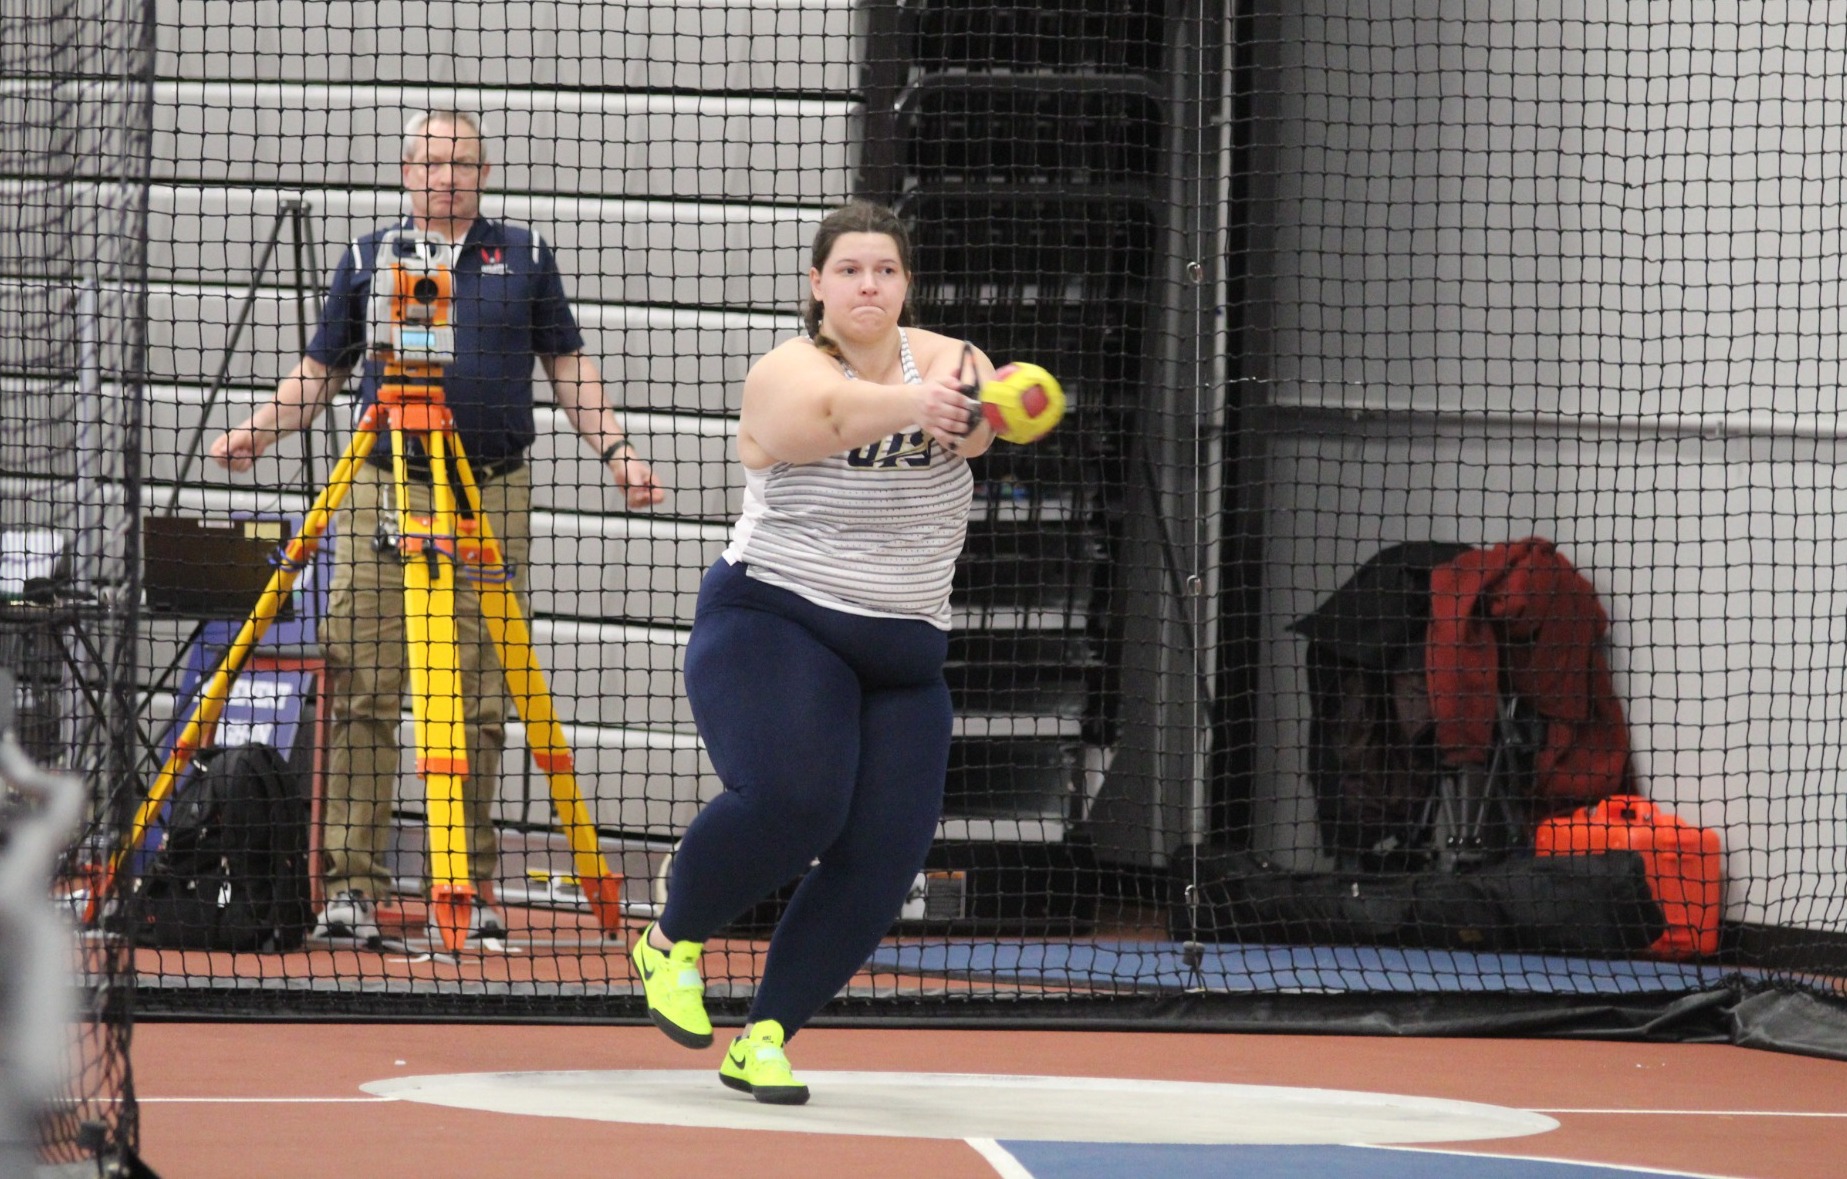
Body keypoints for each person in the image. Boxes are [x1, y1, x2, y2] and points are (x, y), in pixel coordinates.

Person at [208, 109, 664, 947]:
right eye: (429, 162)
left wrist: (620, 451)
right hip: (382, 486)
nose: (445, 176)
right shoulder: (364, 255)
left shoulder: (523, 254)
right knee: (363, 687)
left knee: (485, 697)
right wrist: (256, 432)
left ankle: (470, 885)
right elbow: (319, 372)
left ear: (483, 174)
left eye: (460, 163)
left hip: (491, 490)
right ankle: (351, 885)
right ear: (405, 170)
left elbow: (567, 362)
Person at [629, 199, 996, 1104]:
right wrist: (922, 404)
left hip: (904, 652)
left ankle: (765, 1035)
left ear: (906, 284)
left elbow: (987, 424)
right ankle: (670, 939)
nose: (868, 285)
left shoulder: (954, 361)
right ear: (817, 284)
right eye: (850, 270)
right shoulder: (786, 368)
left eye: (886, 270)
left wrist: (998, 408)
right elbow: (822, 422)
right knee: (798, 801)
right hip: (775, 621)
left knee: (883, 854)